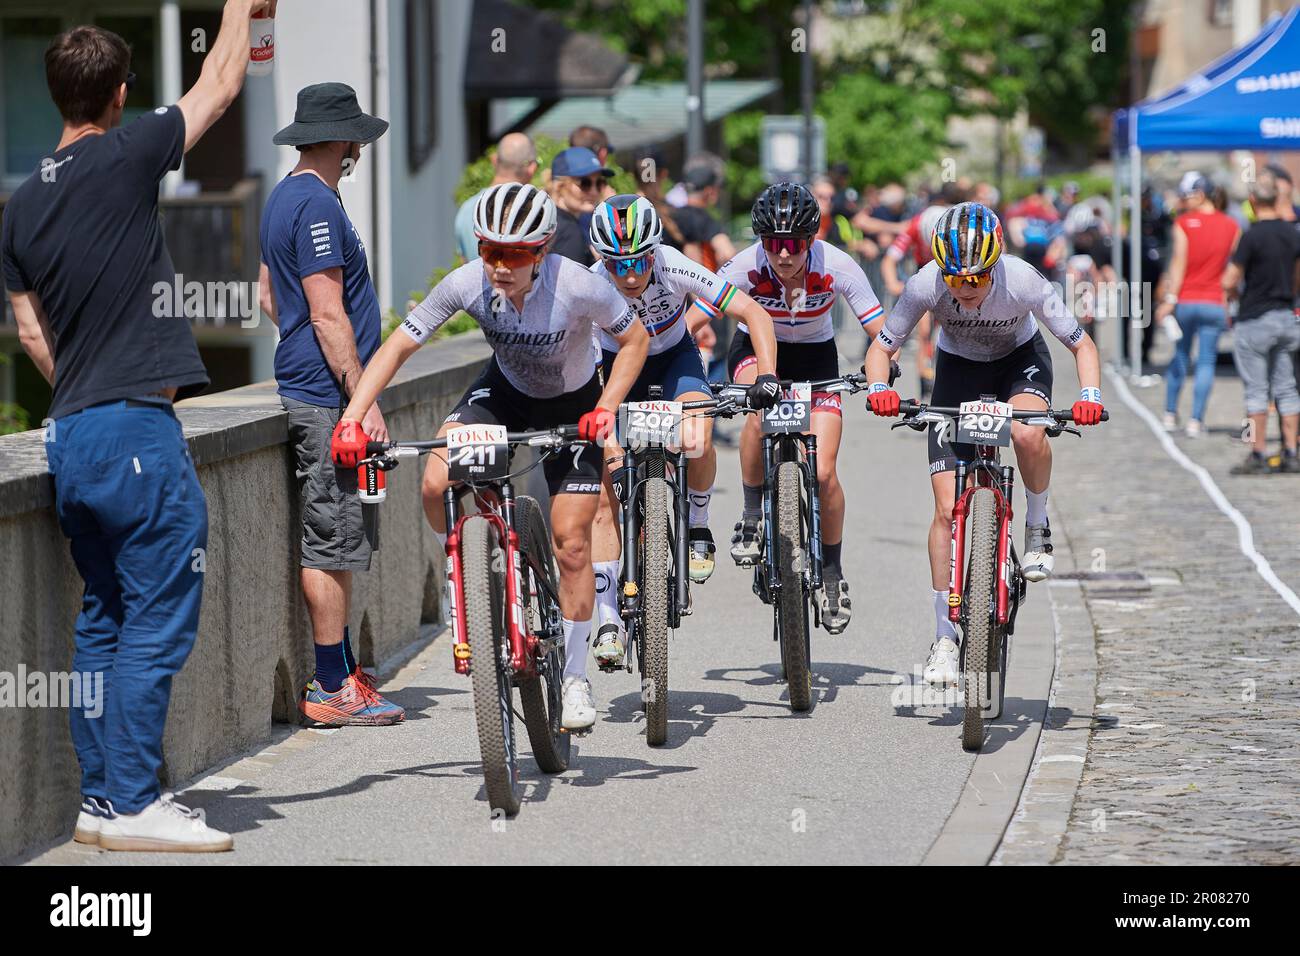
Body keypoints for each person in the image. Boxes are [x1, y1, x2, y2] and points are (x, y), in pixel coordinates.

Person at [0, 1, 274, 853]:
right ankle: (134, 803)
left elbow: (31, 332)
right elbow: (222, 83)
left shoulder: (18, 208)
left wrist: (84, 385)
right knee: (157, 614)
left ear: (59, 96)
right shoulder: (129, 153)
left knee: (106, 621)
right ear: (119, 96)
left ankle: (97, 802)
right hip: (133, 431)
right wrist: (238, 9)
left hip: (72, 431)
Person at [330, 183, 649, 732]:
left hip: (573, 404)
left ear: (542, 251)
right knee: (434, 481)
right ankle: (462, 579)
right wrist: (353, 417)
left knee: (572, 541)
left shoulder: (577, 285)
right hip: (502, 394)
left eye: (515, 254)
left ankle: (575, 677)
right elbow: (400, 346)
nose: (499, 265)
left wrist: (607, 406)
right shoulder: (466, 283)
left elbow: (637, 339)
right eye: (489, 251)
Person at [863, 202, 1103, 688]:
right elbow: (882, 346)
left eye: (976, 278)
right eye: (956, 279)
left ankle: (1036, 525)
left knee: (1026, 430)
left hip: (1020, 361)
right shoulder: (925, 283)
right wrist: (878, 389)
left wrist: (1089, 396)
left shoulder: (1023, 280)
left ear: (995, 267)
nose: (965, 288)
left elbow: (1082, 343)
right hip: (959, 371)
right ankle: (945, 638)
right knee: (945, 506)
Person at [257, 82, 405, 725]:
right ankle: (327, 685)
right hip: (326, 396)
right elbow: (326, 313)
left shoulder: (283, 197)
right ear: (343, 140)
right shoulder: (317, 206)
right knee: (333, 537)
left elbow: (269, 296)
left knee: (342, 533)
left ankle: (342, 669)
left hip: (308, 385)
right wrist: (360, 397)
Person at [583, 195, 780, 666]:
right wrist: (608, 441)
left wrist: (768, 376)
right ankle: (608, 618)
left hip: (675, 358)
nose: (629, 274)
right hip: (614, 367)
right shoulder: (589, 287)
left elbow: (753, 313)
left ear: (654, 251)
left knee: (696, 436)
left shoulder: (674, 264)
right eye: (617, 265)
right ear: (600, 260)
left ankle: (696, 526)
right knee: (607, 487)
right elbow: (590, 382)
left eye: (638, 261)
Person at [719, 182, 888, 634]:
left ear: (811, 240)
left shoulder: (839, 265)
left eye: (793, 244)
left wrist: (883, 368)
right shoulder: (744, 266)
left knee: (826, 472)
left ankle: (831, 571)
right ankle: (753, 514)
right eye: (773, 244)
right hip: (756, 352)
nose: (784, 255)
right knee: (760, 406)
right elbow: (698, 314)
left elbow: (880, 329)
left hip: (816, 358)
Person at [1222, 172, 1300, 474]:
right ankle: (1292, 449)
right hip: (1285, 316)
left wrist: (1231, 293)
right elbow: (1297, 278)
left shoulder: (1251, 236)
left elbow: (1231, 277)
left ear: (1253, 202)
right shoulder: (1293, 234)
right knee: (1287, 387)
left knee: (1256, 390)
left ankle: (1258, 453)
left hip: (1255, 317)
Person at [1156, 172, 1240, 438]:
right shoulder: (1232, 226)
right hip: (1215, 302)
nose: (1182, 200)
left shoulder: (1183, 223)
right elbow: (1233, 270)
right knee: (1206, 362)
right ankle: (1195, 421)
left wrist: (1169, 299)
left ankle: (1170, 414)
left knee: (1180, 356)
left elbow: (1178, 264)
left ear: (1200, 194)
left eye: (1186, 195)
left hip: (1186, 301)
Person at [454, 132, 537, 261]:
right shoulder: (533, 209)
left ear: (494, 160)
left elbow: (464, 266)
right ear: (532, 168)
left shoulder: (466, 209)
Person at [549, 146, 612, 267]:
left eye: (599, 183)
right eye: (585, 183)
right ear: (560, 186)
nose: (594, 192)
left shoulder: (553, 220)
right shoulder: (569, 231)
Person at [673, 159, 736, 272]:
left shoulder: (671, 217)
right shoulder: (705, 220)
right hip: (701, 285)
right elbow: (728, 254)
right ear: (709, 191)